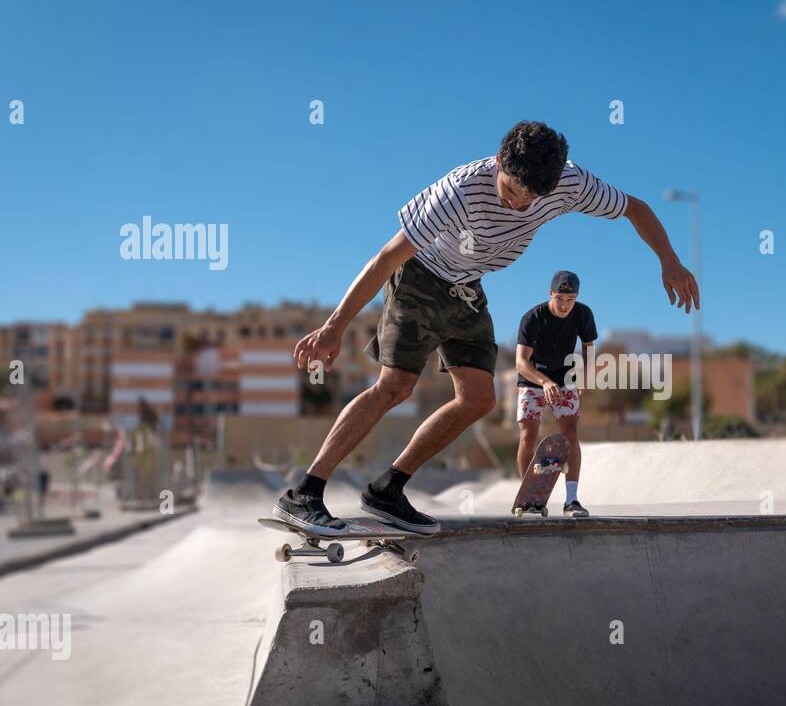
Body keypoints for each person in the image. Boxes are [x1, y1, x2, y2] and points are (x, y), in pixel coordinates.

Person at [273, 121, 699, 535]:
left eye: (532, 199)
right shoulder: (457, 191)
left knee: (478, 399)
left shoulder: (570, 183)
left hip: (467, 290)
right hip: (419, 278)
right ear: (499, 162)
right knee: (396, 387)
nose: (519, 206)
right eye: (512, 191)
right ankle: (305, 492)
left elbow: (635, 208)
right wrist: (334, 326)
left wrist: (670, 261)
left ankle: (388, 489)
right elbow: (388, 256)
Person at [515, 271, 595, 516]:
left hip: (565, 378)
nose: (564, 305)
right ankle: (528, 496)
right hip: (532, 377)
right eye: (559, 298)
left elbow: (589, 347)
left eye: (569, 300)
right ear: (551, 294)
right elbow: (520, 362)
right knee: (529, 434)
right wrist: (545, 382)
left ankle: (572, 500)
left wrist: (585, 375)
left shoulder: (583, 313)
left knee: (570, 432)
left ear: (576, 297)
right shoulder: (533, 318)